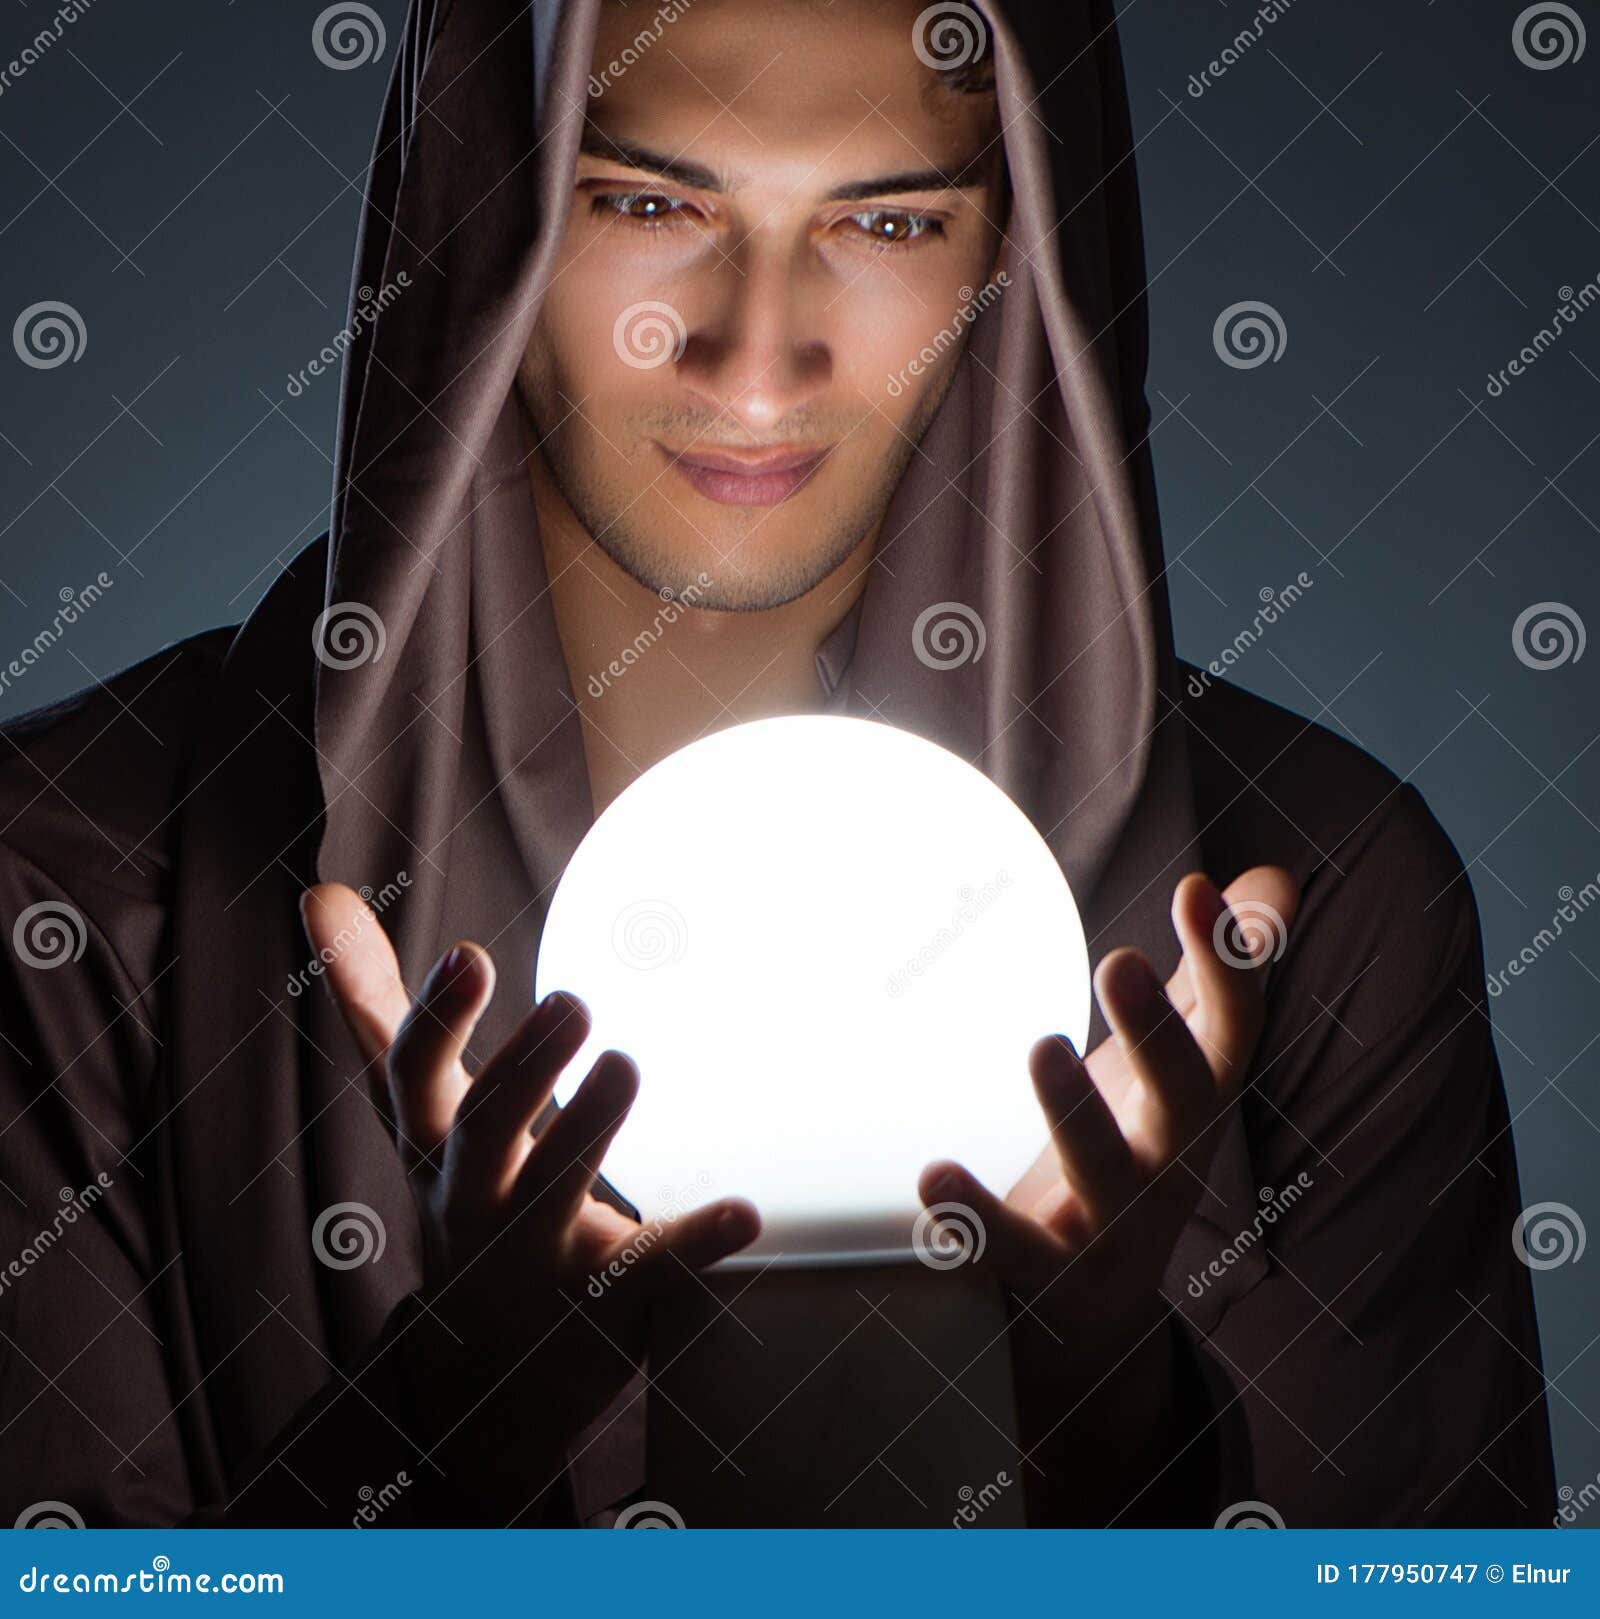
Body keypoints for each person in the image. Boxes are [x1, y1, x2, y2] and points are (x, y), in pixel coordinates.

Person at [0, 0, 1555, 1528]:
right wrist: (461, 1419)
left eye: (884, 226)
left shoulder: (1323, 903)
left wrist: (1109, 1427)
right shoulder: (69, 890)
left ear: (1018, 250)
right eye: (647, 200)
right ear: (482, 221)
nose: (756, 365)